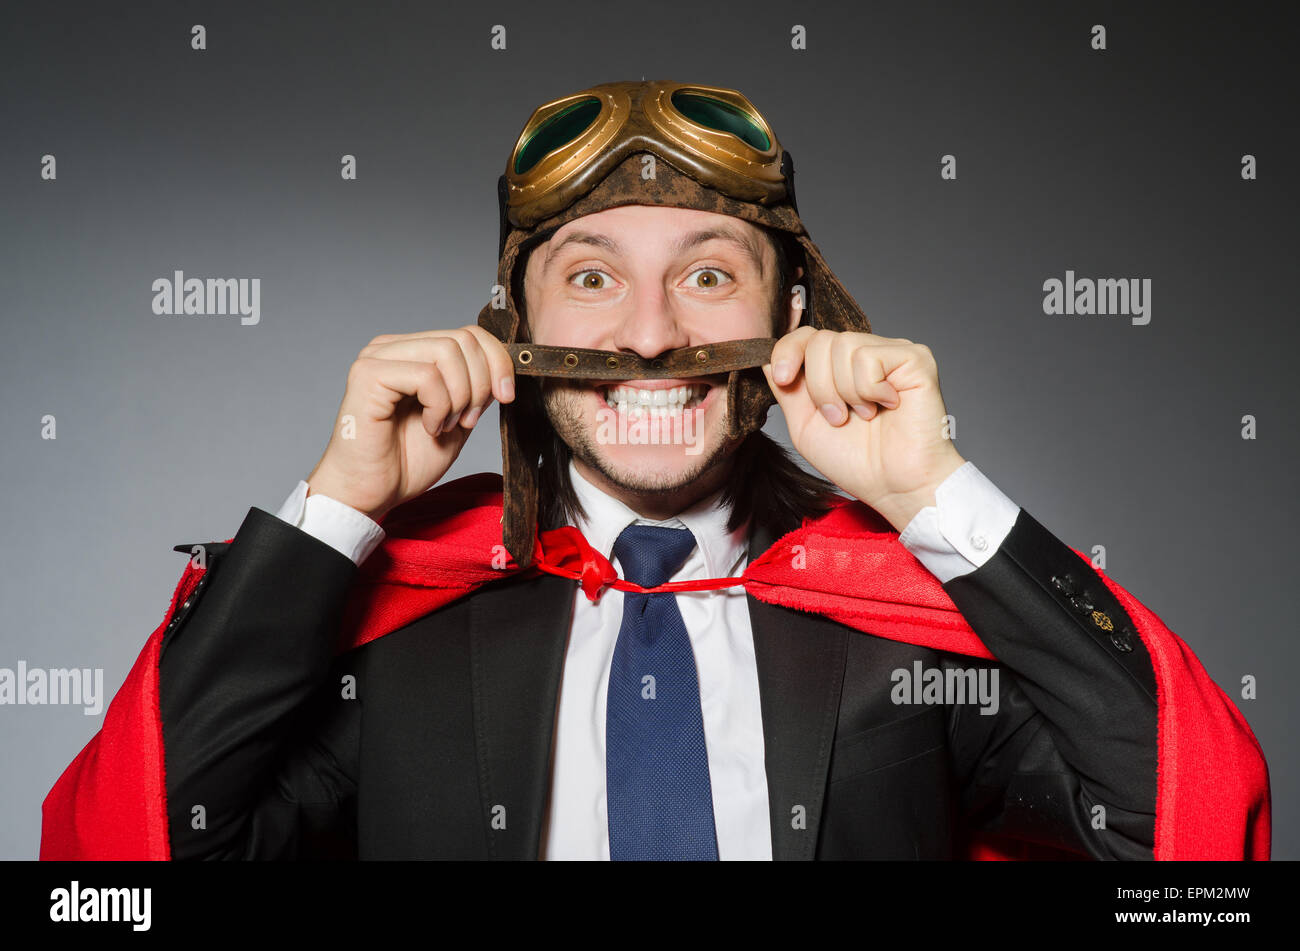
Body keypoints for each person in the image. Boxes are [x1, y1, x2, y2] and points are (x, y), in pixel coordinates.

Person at [41, 80, 1269, 861]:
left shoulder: (901, 624)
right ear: (505, 327)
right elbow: (122, 865)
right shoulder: (400, 646)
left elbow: (1188, 837)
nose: (645, 337)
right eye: (588, 277)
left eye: (707, 274)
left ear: (792, 310)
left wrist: (929, 492)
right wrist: (338, 513)